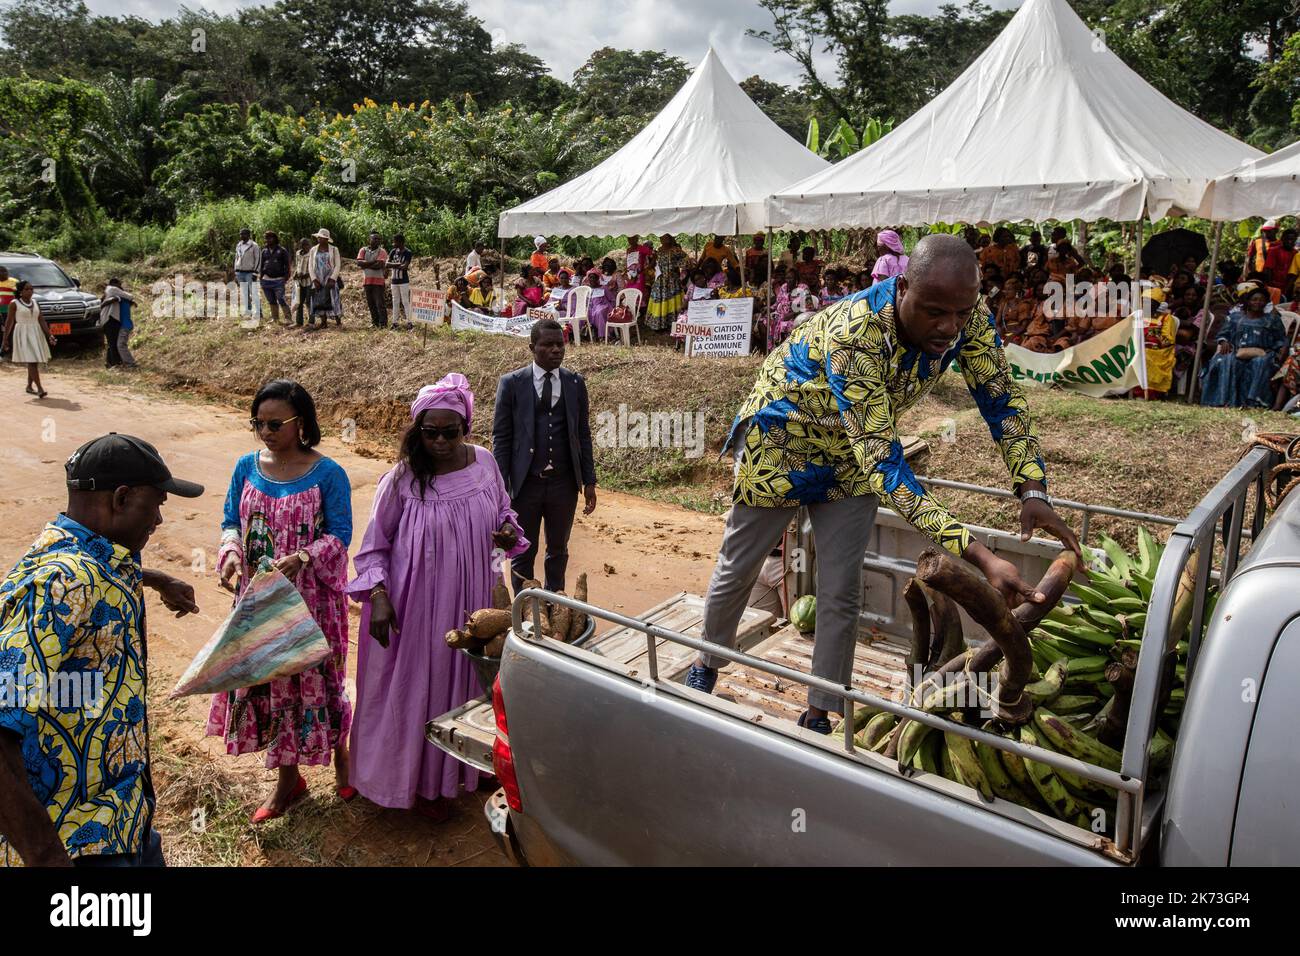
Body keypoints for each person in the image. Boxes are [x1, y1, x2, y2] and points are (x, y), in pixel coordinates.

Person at [682, 235, 1080, 731]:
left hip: (851, 455)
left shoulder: (966, 318)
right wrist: (979, 555)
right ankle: (706, 663)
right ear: (902, 286)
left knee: (841, 587)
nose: (948, 327)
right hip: (782, 442)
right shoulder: (858, 334)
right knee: (738, 568)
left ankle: (821, 708)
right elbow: (887, 468)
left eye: (960, 312)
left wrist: (1032, 487)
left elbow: (1000, 399)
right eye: (935, 311)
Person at [0, 434, 201, 866]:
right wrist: (45, 855)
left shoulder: (95, 555)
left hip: (126, 818)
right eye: (157, 503)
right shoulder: (60, 584)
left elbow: (102, 569)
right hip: (75, 839)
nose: (160, 519)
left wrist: (155, 578)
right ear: (122, 498)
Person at [347, 374, 527, 820]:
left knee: (469, 679)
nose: (441, 441)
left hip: (474, 596)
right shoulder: (403, 479)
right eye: (431, 432)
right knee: (420, 685)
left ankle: (461, 772)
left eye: (452, 431)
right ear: (417, 431)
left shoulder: (484, 462)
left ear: (466, 428)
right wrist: (380, 597)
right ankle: (419, 782)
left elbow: (504, 511)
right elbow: (374, 545)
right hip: (418, 604)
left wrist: (506, 531)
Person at [209, 380, 353, 822]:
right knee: (274, 686)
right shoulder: (245, 467)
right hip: (260, 602)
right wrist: (231, 553)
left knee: (320, 681)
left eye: (275, 424)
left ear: (301, 424)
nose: (265, 432)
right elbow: (230, 520)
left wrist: (305, 556)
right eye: (258, 424)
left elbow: (340, 535)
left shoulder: (328, 473)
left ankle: (342, 758)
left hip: (312, 603)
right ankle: (289, 781)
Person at [492, 319, 597, 593]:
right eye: (547, 345)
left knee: (558, 550)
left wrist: (589, 481)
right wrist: (501, 488)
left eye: (560, 345)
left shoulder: (575, 383)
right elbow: (501, 438)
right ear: (532, 347)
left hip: (563, 484)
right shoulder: (512, 384)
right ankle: (525, 607)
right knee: (523, 551)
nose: (556, 350)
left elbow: (582, 434)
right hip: (525, 484)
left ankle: (554, 603)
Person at [1201, 283, 1289, 408]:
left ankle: (1253, 401)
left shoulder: (1272, 319)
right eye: (1254, 299)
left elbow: (1282, 339)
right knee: (1225, 361)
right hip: (1238, 350)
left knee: (1259, 363)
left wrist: (1281, 352)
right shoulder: (1235, 317)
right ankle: (1224, 400)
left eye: (1261, 300)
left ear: (1266, 303)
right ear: (1248, 301)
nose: (1258, 303)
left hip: (1264, 352)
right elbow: (1223, 334)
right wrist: (1224, 341)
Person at [2, 280, 55, 398]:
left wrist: (49, 335)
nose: (30, 291)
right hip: (22, 333)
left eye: (31, 289)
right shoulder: (14, 303)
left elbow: (41, 319)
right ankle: (40, 388)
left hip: (36, 332)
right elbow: (9, 322)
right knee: (31, 361)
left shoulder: (35, 302)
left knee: (34, 360)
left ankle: (29, 386)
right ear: (20, 292)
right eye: (27, 289)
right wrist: (5, 339)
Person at [1132, 290, 1177, 399]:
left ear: (1157, 304)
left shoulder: (1165, 318)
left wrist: (1151, 333)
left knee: (1145, 356)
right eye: (1143, 301)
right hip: (1138, 347)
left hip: (1158, 351)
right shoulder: (1138, 316)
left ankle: (1147, 394)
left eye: (1149, 302)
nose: (1145, 305)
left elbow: (1167, 341)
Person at [647, 234, 688, 332]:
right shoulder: (659, 250)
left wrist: (676, 264)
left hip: (672, 280)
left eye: (665, 237)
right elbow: (654, 263)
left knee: (671, 301)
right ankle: (659, 324)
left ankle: (672, 323)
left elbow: (686, 258)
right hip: (660, 279)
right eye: (661, 237)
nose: (663, 239)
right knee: (660, 300)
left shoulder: (675, 249)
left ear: (670, 238)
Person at [308, 228, 342, 326]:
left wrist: (333, 279)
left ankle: (338, 320)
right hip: (318, 277)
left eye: (323, 238)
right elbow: (310, 266)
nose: (320, 239)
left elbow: (337, 265)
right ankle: (323, 321)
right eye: (319, 237)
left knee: (333, 297)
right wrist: (314, 279)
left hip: (330, 277)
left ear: (327, 239)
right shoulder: (313, 250)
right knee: (319, 298)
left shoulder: (334, 249)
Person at [256, 230, 291, 325]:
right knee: (271, 300)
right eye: (266, 238)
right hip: (266, 280)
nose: (268, 240)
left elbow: (287, 265)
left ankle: (288, 318)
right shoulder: (264, 251)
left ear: (275, 238)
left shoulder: (282, 250)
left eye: (270, 238)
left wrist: (286, 277)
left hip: (278, 280)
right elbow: (261, 265)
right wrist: (261, 277)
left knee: (281, 298)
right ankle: (275, 318)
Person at [102, 278, 137, 368]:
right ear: (114, 283)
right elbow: (130, 296)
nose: (120, 287)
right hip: (110, 321)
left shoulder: (110, 292)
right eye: (119, 284)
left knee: (114, 343)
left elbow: (103, 302)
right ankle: (117, 363)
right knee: (115, 344)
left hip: (115, 322)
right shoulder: (112, 289)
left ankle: (112, 363)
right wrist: (117, 297)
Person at [357, 232, 389, 328]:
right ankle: (375, 323)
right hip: (367, 281)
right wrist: (373, 262)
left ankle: (383, 324)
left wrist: (365, 264)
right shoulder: (363, 250)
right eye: (374, 239)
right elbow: (359, 262)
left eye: (378, 239)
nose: (377, 241)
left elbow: (379, 265)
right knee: (371, 303)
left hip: (378, 282)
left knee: (380, 304)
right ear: (369, 240)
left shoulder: (382, 251)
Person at [234, 227, 262, 321]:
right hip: (240, 272)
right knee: (244, 293)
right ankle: (248, 311)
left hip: (250, 273)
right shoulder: (239, 245)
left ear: (249, 235)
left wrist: (256, 272)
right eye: (241, 234)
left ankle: (258, 312)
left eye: (244, 234)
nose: (242, 235)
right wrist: (236, 271)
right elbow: (236, 258)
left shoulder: (254, 245)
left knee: (254, 293)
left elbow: (258, 259)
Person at [388, 233, 414, 328]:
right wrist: (398, 264)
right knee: (395, 301)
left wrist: (393, 265)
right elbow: (387, 264)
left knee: (405, 301)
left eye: (394, 241)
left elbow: (405, 267)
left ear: (400, 242)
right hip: (394, 280)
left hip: (403, 281)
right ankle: (395, 323)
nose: (393, 243)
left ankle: (410, 322)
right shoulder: (393, 251)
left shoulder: (408, 252)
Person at [1263, 228, 1297, 296]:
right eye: (1288, 239)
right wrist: (1270, 287)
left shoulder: (1296, 253)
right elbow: (1268, 269)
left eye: (1292, 240)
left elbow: (1294, 275)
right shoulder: (1274, 251)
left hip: (1288, 287)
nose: (1290, 242)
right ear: (1282, 239)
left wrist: (1287, 289)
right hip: (1274, 286)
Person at [292, 238, 315, 328]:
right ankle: (299, 322)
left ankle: (311, 322)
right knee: (299, 302)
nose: (304, 246)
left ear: (309, 245)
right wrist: (295, 274)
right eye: (302, 244)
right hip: (300, 282)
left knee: (309, 302)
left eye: (306, 244)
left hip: (309, 281)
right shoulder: (298, 253)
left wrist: (307, 275)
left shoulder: (312, 254)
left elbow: (314, 268)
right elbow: (298, 265)